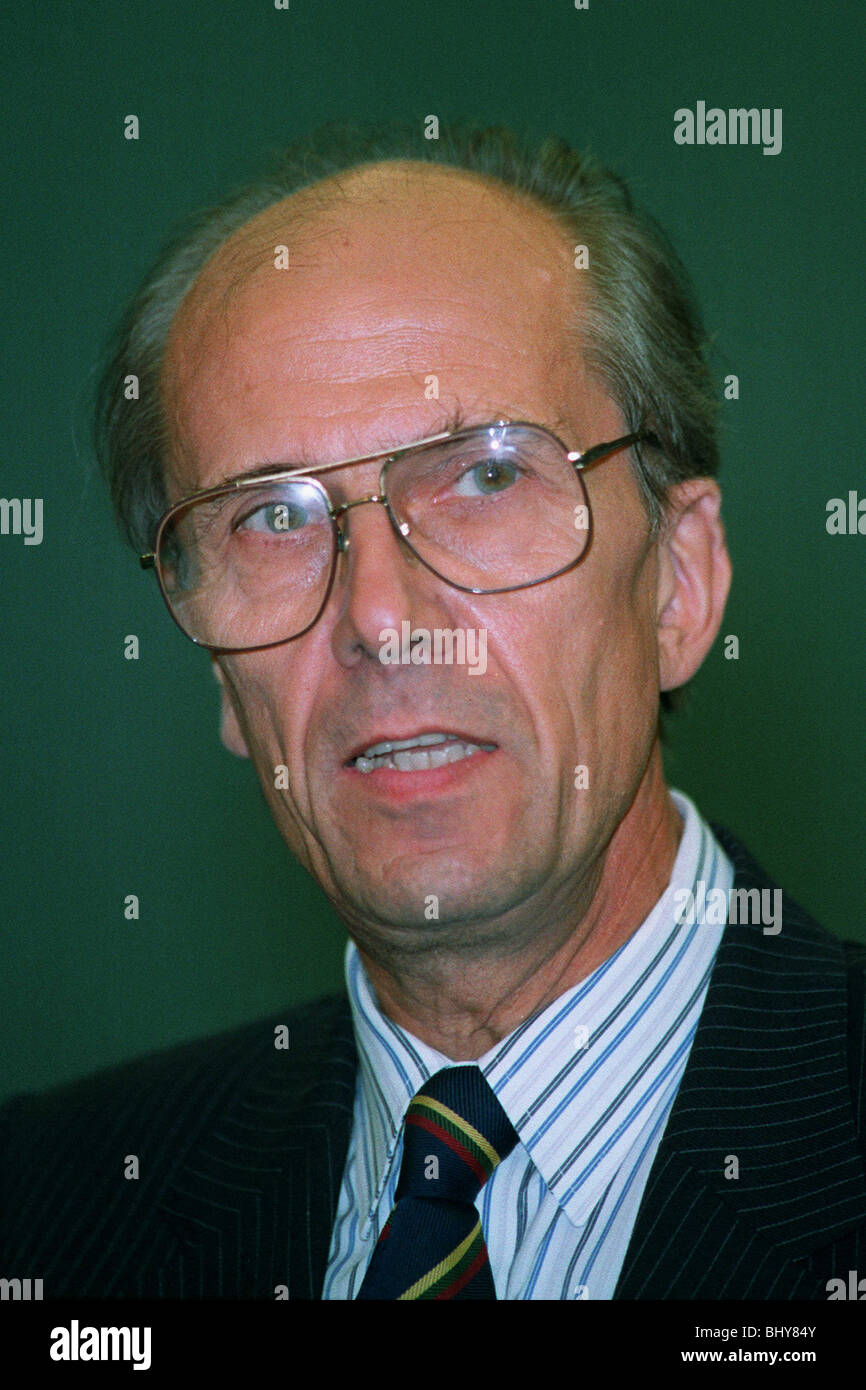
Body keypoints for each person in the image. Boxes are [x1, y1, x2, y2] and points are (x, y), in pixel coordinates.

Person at [2, 123, 865, 1301]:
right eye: (271, 518)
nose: (378, 619)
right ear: (218, 674)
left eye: (486, 474)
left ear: (678, 582)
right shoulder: (48, 1215)